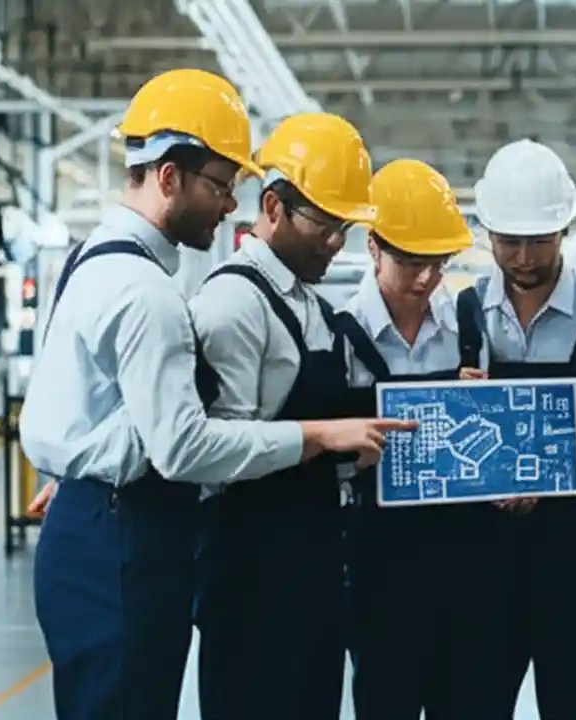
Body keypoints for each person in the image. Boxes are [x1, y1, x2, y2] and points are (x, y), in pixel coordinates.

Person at [20, 72, 413, 720]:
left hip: (110, 518)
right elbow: (183, 446)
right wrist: (319, 436)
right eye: (220, 185)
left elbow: (93, 404)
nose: (230, 203)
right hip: (128, 533)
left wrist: (77, 471)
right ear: (169, 176)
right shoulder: (153, 296)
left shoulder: (100, 261)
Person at [188, 112, 407, 719]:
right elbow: (215, 452)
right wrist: (320, 438)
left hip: (311, 564)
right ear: (274, 206)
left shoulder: (308, 301)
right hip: (250, 571)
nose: (336, 242)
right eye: (325, 225)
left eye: (345, 227)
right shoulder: (234, 302)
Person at [456, 138, 576, 719]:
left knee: (575, 705)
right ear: (487, 232)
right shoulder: (460, 314)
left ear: (564, 231)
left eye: (539, 240)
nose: (525, 258)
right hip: (481, 562)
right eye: (509, 241)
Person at [335, 158, 513, 719]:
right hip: (380, 565)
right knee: (386, 699)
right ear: (372, 246)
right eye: (411, 263)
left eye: (437, 264)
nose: (425, 280)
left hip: (470, 564)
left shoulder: (466, 328)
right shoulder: (338, 333)